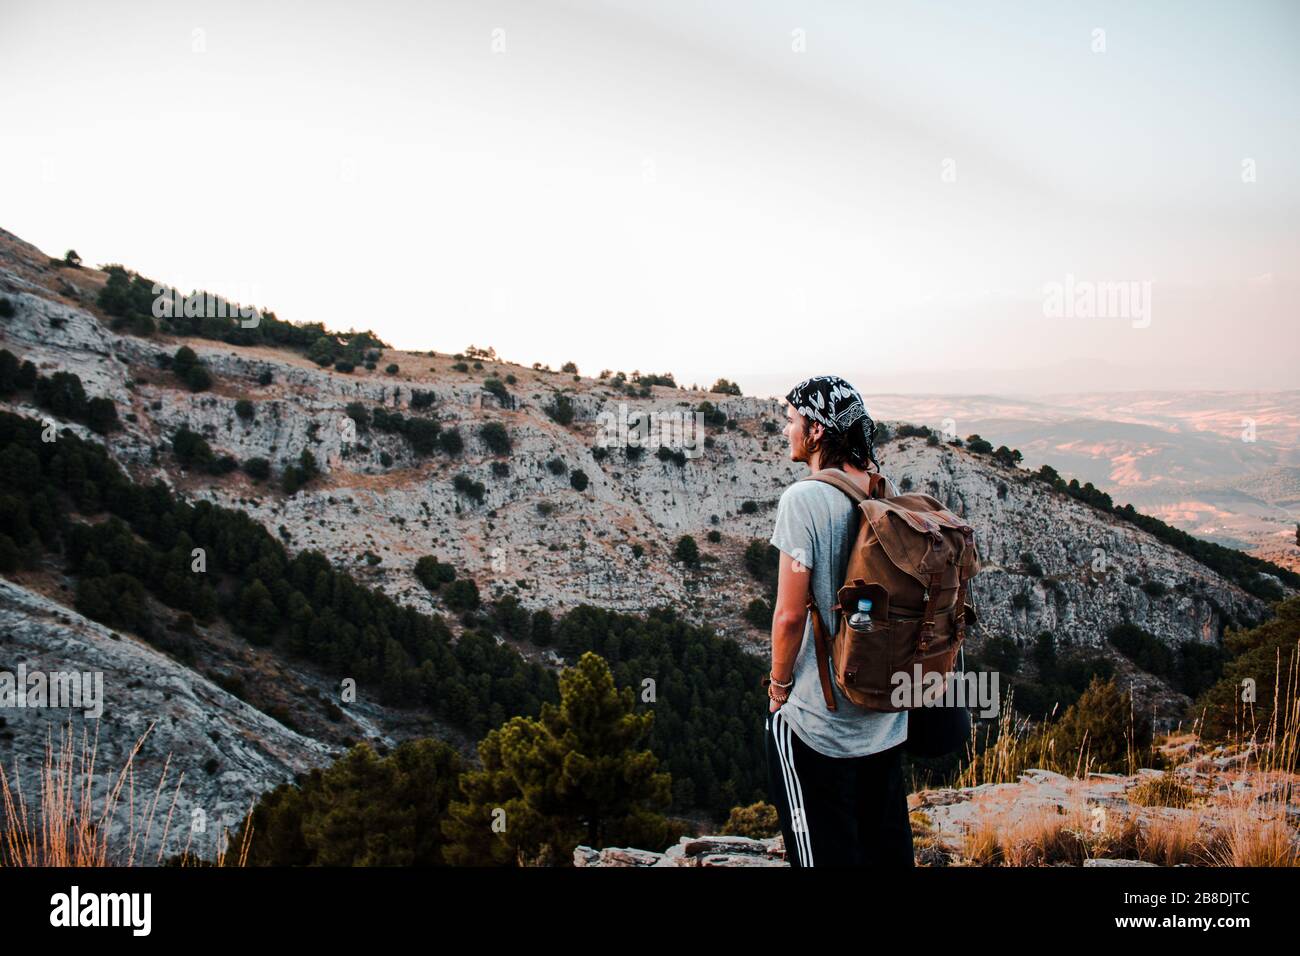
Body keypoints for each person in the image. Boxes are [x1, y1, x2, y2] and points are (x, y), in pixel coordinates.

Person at [763, 374, 914, 867]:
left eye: (791, 421)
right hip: (885, 717)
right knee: (885, 853)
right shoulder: (881, 489)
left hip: (818, 725)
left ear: (816, 431)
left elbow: (788, 616)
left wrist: (778, 689)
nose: (786, 430)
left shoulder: (802, 499)